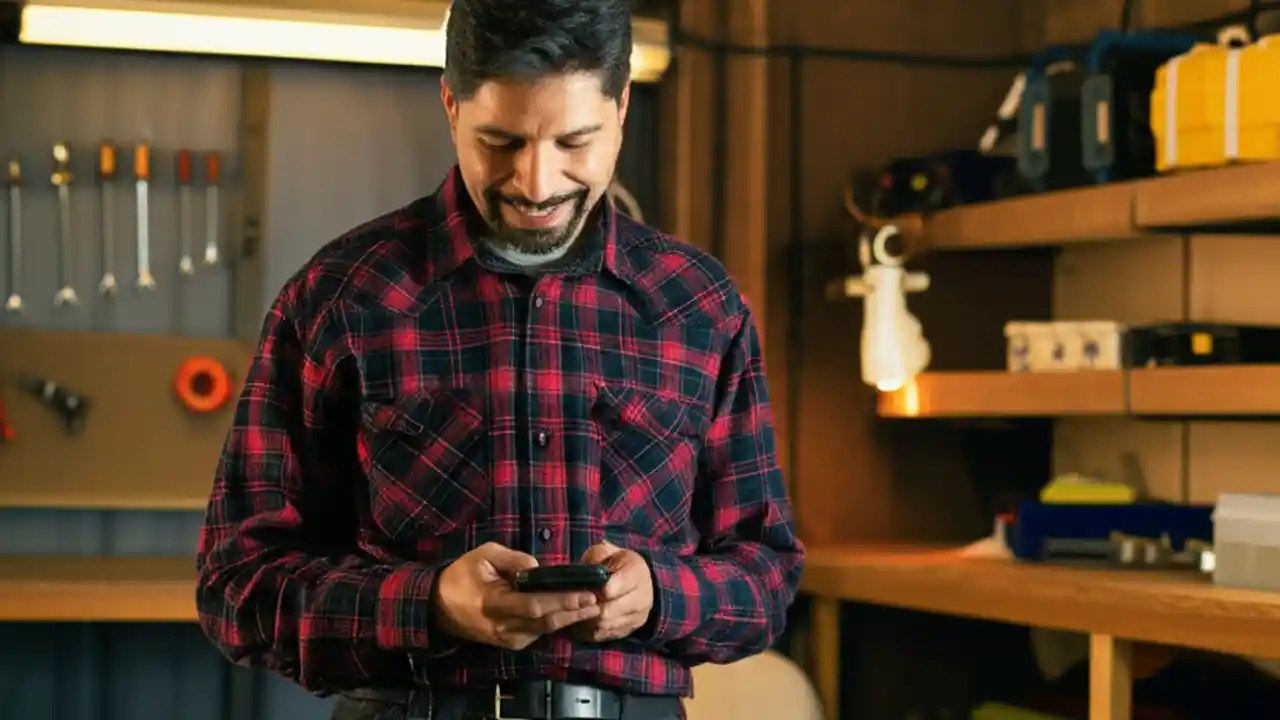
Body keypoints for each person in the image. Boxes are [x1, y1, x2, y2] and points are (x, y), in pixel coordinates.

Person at [194, 1, 805, 718]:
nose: (537, 184)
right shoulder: (340, 298)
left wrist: (659, 595)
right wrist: (429, 604)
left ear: (623, 107)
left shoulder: (699, 307)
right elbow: (236, 585)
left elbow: (766, 576)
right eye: (501, 142)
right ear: (451, 104)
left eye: (574, 142)